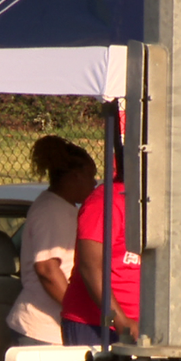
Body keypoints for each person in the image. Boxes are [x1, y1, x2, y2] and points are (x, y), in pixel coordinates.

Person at [7, 136, 97, 346]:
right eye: (91, 176)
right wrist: (75, 313)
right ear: (75, 176)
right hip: (43, 331)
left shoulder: (62, 209)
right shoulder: (52, 211)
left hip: (53, 329)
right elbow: (47, 268)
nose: (94, 183)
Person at [59, 145, 139, 346]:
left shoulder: (152, 201)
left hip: (140, 324)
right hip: (98, 324)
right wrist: (120, 321)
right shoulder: (106, 201)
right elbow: (90, 266)